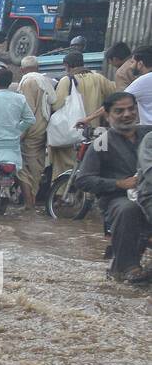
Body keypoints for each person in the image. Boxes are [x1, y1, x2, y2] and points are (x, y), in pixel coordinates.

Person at [73, 92, 152, 283]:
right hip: (117, 200)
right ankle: (126, 267)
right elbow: (83, 180)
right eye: (119, 111)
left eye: (131, 109)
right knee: (128, 208)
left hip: (148, 195)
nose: (127, 114)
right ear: (108, 116)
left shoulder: (148, 135)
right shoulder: (101, 143)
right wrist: (119, 183)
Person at [49, 51, 118, 175]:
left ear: (67, 65)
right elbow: (115, 96)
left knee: (68, 167)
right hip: (96, 132)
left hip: (74, 132)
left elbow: (57, 105)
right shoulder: (99, 78)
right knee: (93, 166)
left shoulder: (67, 80)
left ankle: (63, 191)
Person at [16, 56, 54, 207]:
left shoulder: (28, 81)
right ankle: (33, 198)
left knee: (24, 167)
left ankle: (29, 202)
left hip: (31, 130)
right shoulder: (45, 80)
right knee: (36, 164)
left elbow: (28, 111)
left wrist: (20, 134)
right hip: (43, 127)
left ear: (22, 69)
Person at [126, 45, 152, 123]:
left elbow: (119, 99)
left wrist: (88, 119)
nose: (130, 66)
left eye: (132, 62)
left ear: (140, 64)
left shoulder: (144, 80)